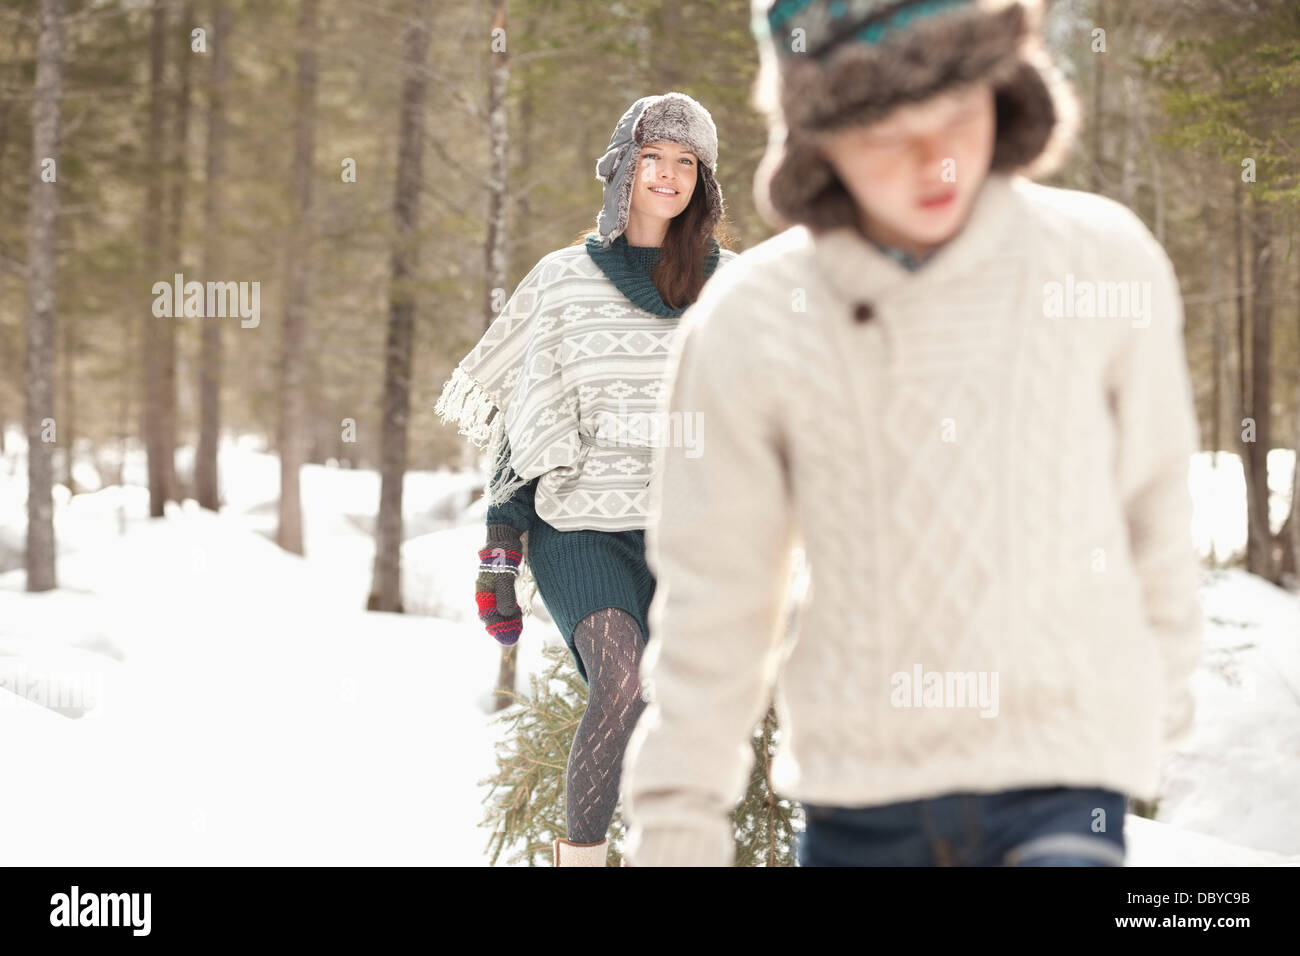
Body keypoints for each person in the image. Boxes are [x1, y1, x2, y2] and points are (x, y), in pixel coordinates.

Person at [619, 0, 1203, 867]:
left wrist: (1155, 704)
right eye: (891, 133)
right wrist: (677, 821)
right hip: (863, 800)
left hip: (1061, 780)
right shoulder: (751, 322)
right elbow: (717, 598)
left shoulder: (1103, 263)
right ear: (821, 138)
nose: (938, 160)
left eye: (962, 113)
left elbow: (1156, 503)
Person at [433, 91, 739, 866]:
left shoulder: (734, 288)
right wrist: (499, 557)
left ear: (702, 181)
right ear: (621, 170)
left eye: (685, 163)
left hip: (689, 534)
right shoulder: (563, 281)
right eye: (652, 159)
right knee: (623, 674)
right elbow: (518, 423)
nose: (667, 176)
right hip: (578, 527)